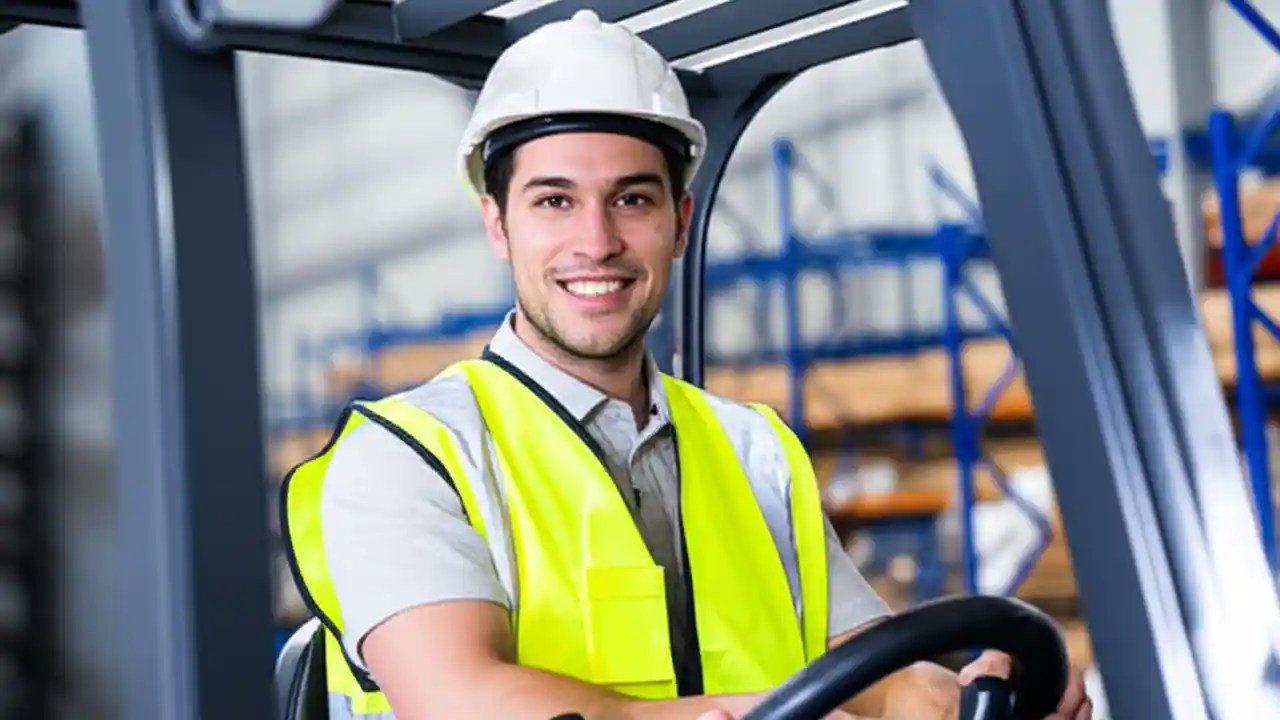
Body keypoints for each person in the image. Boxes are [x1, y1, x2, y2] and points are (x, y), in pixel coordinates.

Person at [280, 10, 1092, 720]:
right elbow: (458, 699)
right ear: (497, 223)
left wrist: (974, 696)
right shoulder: (409, 455)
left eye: (631, 199)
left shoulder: (752, 449)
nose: (596, 242)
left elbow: (875, 678)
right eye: (554, 201)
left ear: (679, 220)